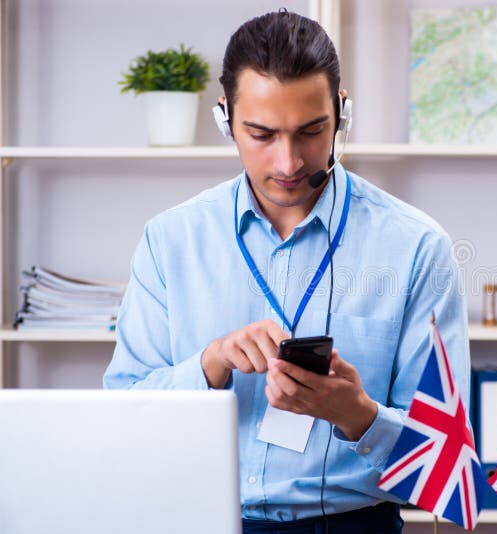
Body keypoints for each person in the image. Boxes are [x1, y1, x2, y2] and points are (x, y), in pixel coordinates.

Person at [104, 9, 469, 534]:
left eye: (311, 131)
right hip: (196, 521)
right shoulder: (169, 240)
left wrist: (359, 415)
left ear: (342, 114)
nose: (288, 162)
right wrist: (208, 365)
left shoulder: (416, 248)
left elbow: (446, 466)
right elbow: (121, 419)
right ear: (223, 119)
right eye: (261, 134)